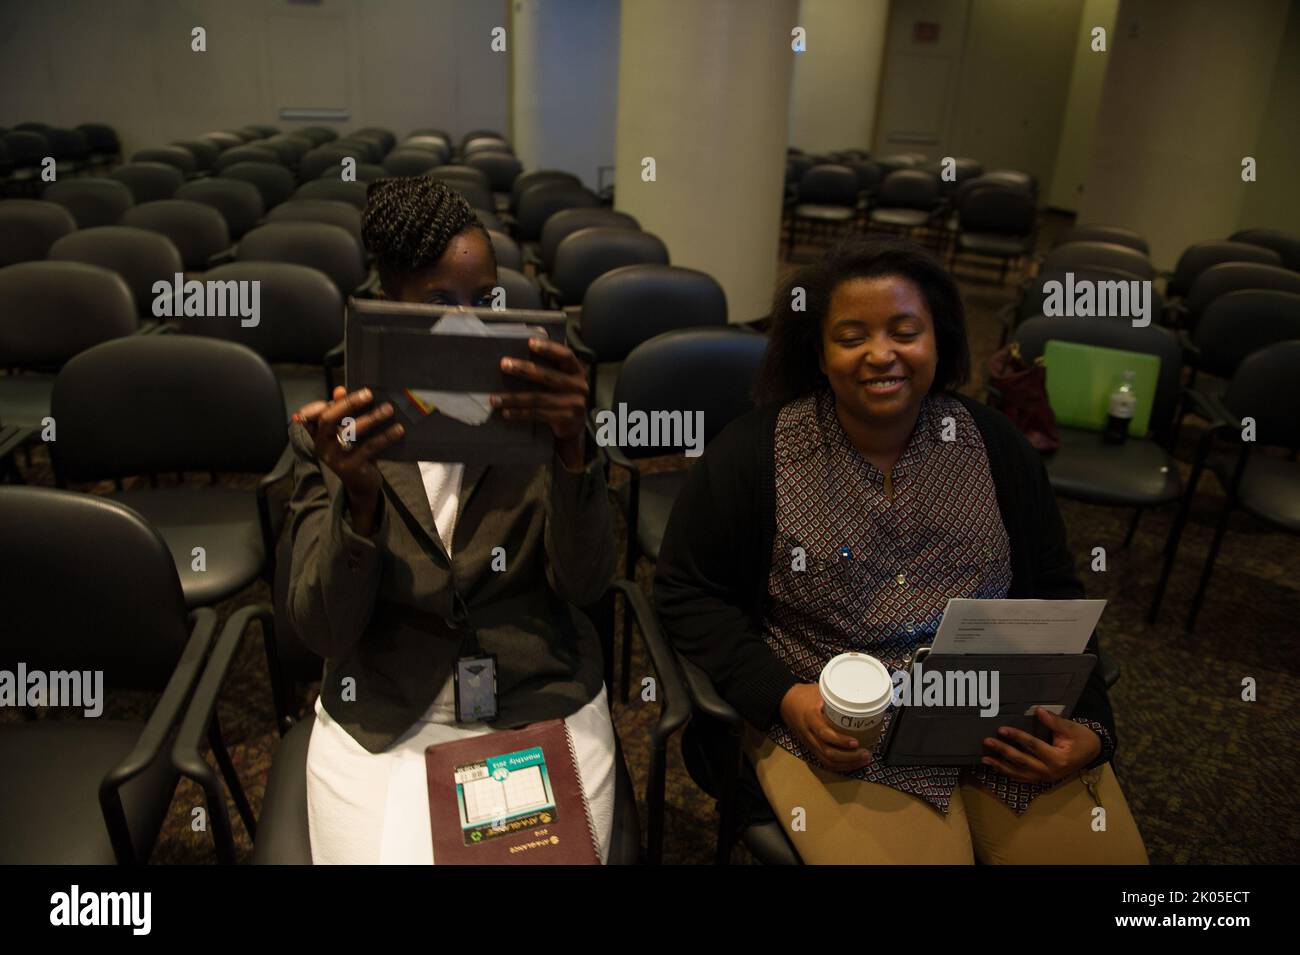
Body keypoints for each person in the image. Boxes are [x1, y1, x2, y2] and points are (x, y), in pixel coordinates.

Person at [653, 236, 1148, 864]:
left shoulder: (995, 446)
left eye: (905, 331)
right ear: (820, 352)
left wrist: (1093, 732)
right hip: (838, 731)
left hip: (999, 722)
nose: (881, 354)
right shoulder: (757, 453)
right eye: (852, 335)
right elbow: (685, 592)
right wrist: (781, 694)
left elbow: (1055, 594)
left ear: (938, 342)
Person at [287, 176, 617, 863]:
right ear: (389, 310)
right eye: (440, 302)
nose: (469, 322)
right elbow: (322, 627)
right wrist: (361, 500)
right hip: (387, 704)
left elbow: (585, 584)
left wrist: (572, 452)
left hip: (531, 691)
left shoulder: (541, 409)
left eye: (486, 300)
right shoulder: (340, 434)